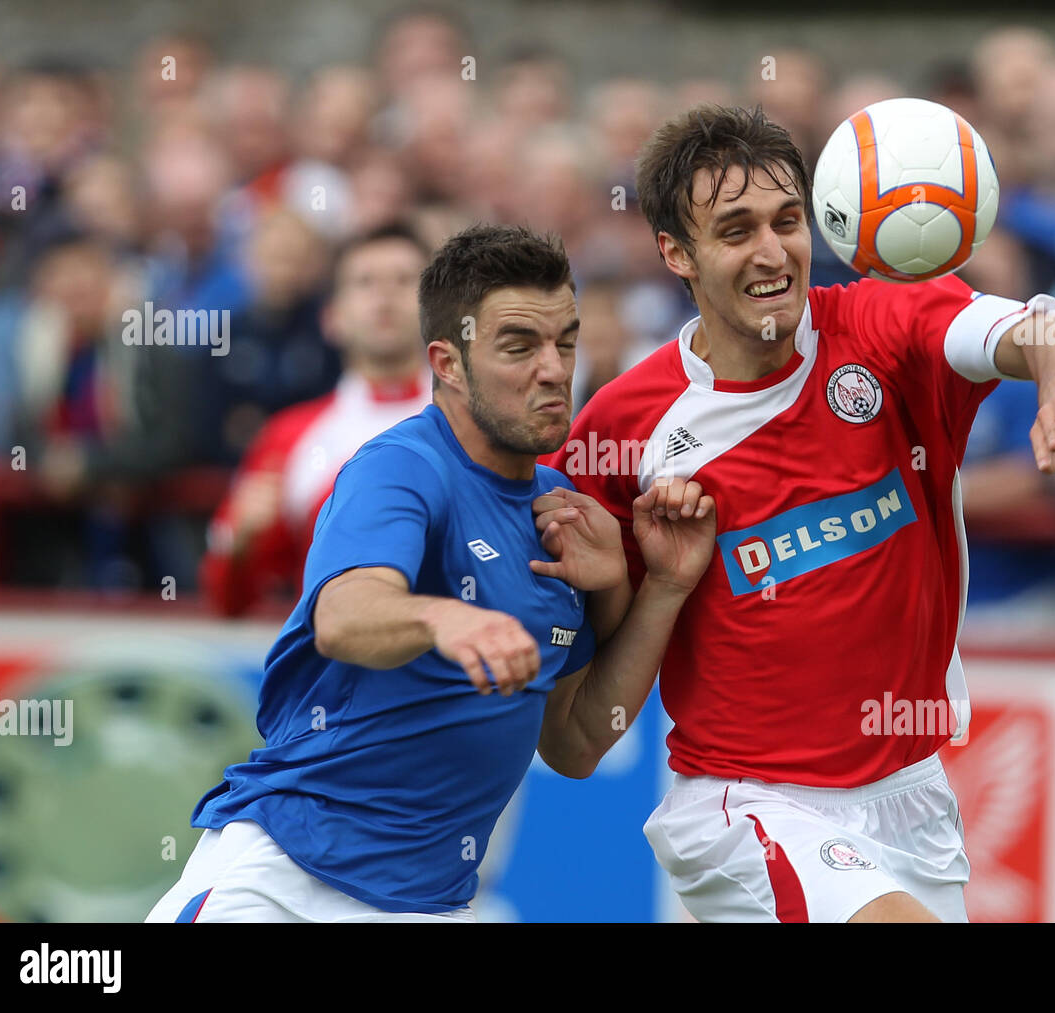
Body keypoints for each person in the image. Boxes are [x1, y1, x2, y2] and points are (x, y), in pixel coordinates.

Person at [551, 105, 1055, 923]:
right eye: (735, 230)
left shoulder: (885, 326)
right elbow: (574, 741)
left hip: (915, 797)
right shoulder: (623, 430)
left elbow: (1035, 330)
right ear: (676, 253)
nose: (773, 252)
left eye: (787, 220)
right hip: (748, 806)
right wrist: (662, 588)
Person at [146, 224, 717, 922]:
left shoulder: (562, 510)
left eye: (564, 342)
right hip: (289, 880)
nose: (552, 369)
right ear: (448, 362)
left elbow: (574, 744)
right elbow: (343, 615)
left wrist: (656, 588)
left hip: (432, 903)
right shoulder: (401, 466)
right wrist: (446, 617)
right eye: (519, 346)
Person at [200, 222, 432, 617]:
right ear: (332, 318)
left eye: (403, 280)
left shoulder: (482, 424)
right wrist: (239, 543)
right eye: (365, 282)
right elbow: (227, 599)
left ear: (438, 309)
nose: (385, 295)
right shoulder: (286, 436)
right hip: (330, 654)